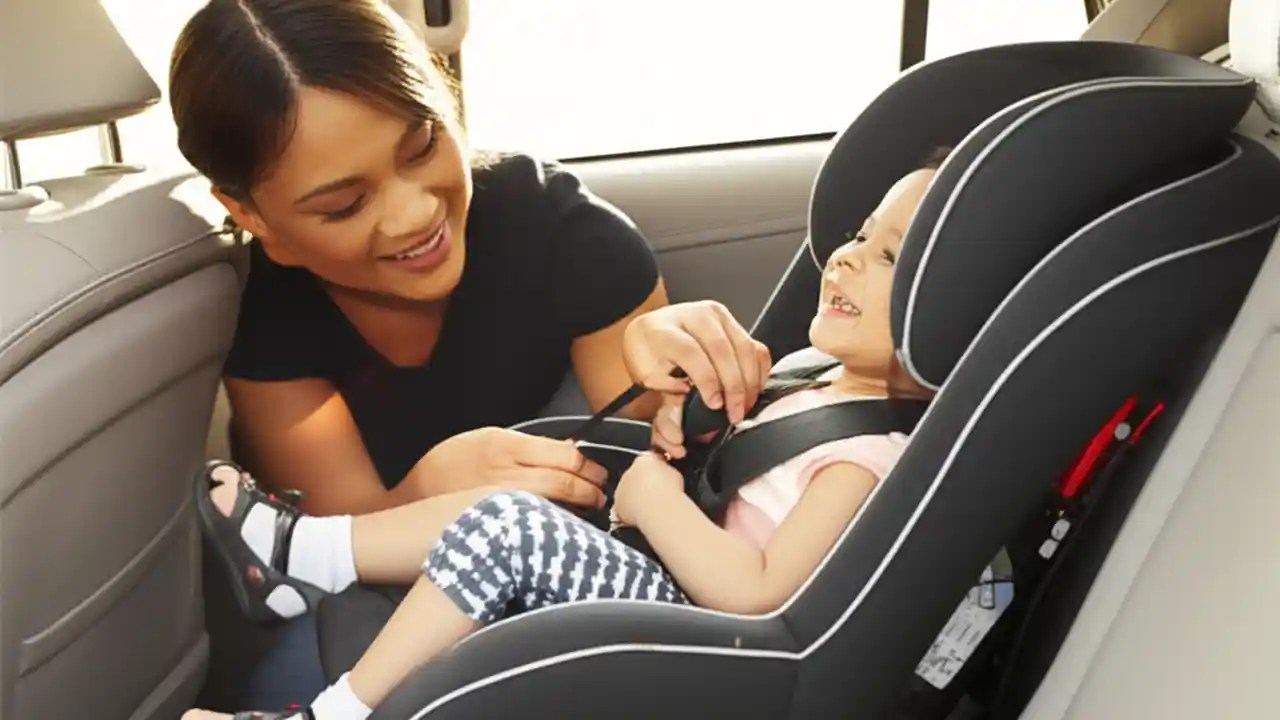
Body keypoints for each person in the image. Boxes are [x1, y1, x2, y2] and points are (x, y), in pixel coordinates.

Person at [183, 156, 946, 720]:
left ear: (957, 312)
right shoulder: (819, 376)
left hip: (704, 641)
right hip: (673, 580)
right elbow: (749, 478)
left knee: (511, 526)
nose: (847, 255)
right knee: (510, 495)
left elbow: (760, 596)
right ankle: (302, 556)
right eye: (860, 234)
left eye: (889, 256)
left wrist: (654, 499)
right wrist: (688, 426)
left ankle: (332, 708)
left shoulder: (863, 458)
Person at [168, 0, 769, 708]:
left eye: (423, 144)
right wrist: (426, 487)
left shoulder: (561, 232)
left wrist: (675, 364)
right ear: (250, 215)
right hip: (394, 624)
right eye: (344, 206)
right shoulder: (267, 320)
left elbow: (660, 455)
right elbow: (330, 554)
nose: (416, 213)